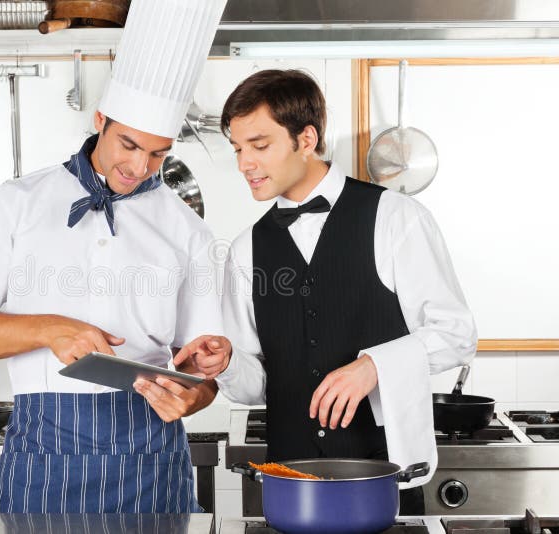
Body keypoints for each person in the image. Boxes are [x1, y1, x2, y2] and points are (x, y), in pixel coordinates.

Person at [0, 0, 229, 514]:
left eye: (158, 153)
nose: (140, 166)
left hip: (150, 461)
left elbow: (202, 376)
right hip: (44, 455)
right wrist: (50, 329)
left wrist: (198, 389)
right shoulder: (17, 203)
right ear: (100, 120)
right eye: (128, 144)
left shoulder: (189, 230)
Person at [202, 69, 477, 514]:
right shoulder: (244, 250)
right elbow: (256, 387)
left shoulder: (397, 218)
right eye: (237, 149)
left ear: (306, 139)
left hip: (385, 480)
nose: (244, 164)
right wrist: (229, 361)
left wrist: (374, 366)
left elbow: (457, 334)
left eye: (259, 145)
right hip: (292, 487)